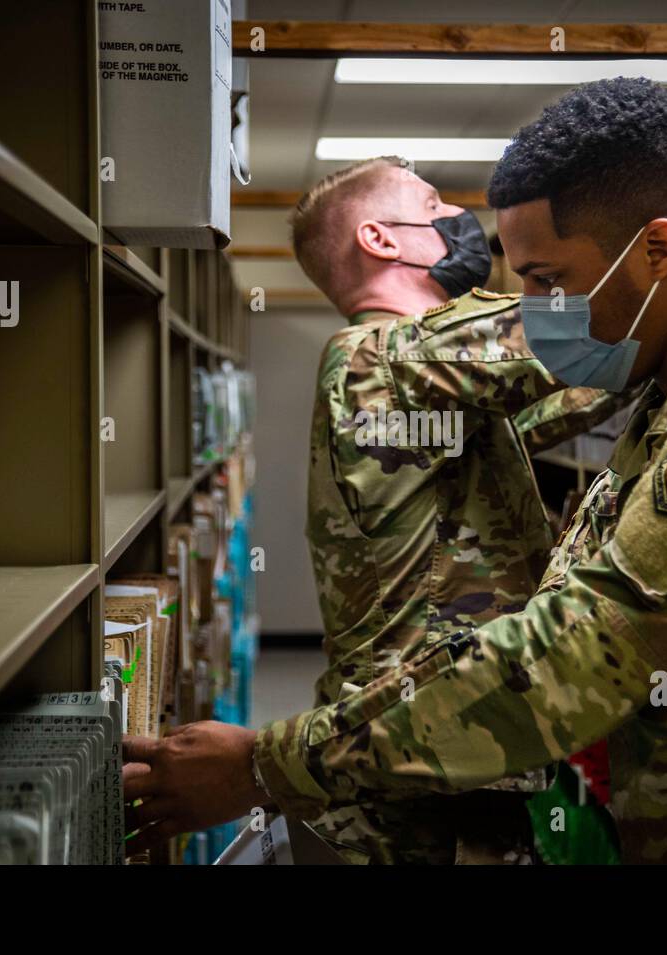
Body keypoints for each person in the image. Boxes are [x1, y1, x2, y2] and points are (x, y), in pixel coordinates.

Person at [125, 77, 667, 864]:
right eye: (525, 282)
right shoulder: (403, 356)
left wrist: (265, 763)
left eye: (546, 280)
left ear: (655, 252)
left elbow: (572, 652)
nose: (533, 310)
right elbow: (560, 378)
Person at [268, 157, 636, 863]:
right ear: (381, 239)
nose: (456, 217)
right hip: (417, 772)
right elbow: (589, 326)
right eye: (431, 202)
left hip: (430, 751)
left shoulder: (427, 391)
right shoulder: (384, 356)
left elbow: (591, 382)